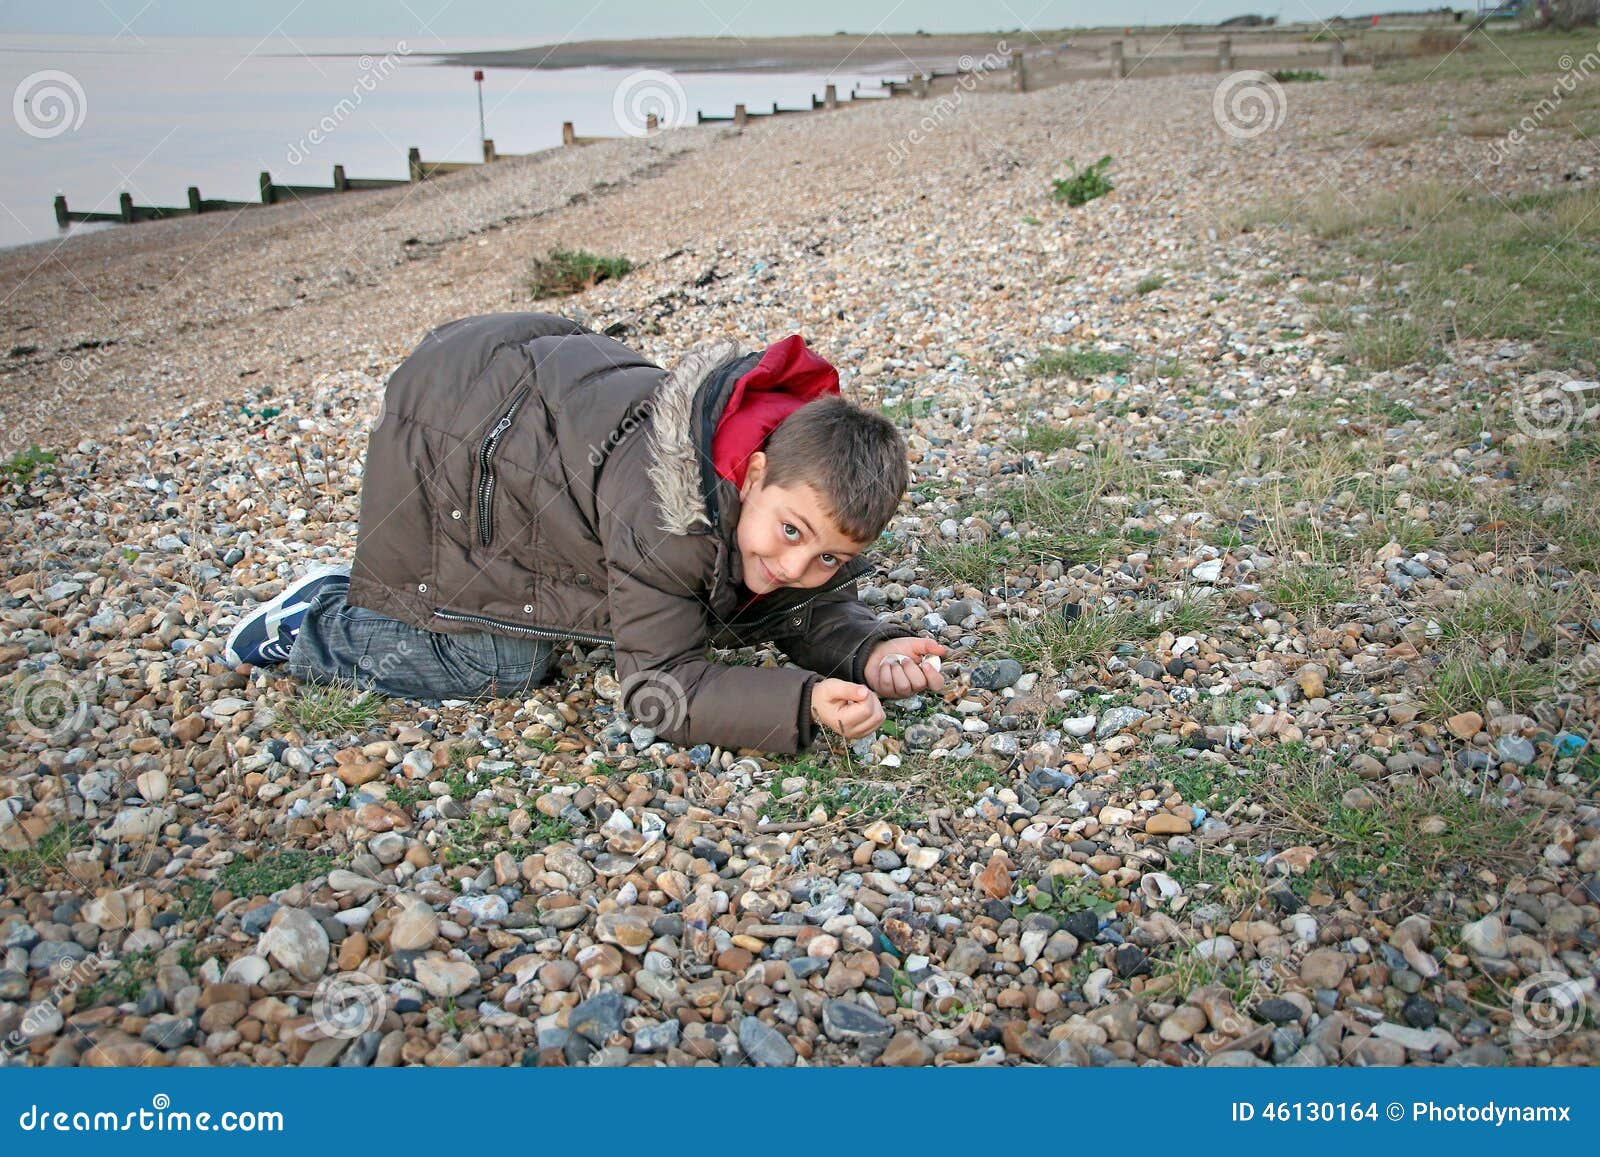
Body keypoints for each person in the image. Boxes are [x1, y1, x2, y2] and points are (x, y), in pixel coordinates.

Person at [225, 312, 945, 754]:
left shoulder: (792, 482)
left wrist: (868, 648)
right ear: (752, 474)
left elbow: (800, 604)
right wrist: (801, 702)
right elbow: (659, 686)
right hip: (452, 435)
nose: (795, 563)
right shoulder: (668, 511)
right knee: (503, 662)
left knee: (700, 598)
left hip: (529, 391)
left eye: (829, 555)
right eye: (790, 532)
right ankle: (319, 622)